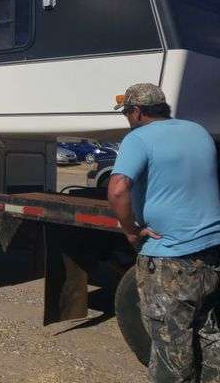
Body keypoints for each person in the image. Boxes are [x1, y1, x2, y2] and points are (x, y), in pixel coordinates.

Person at [107, 83, 220, 383]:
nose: (127, 119)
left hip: (170, 258)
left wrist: (130, 231)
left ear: (137, 112)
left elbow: (117, 189)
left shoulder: (138, 137)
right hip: (211, 252)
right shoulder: (198, 131)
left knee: (172, 345)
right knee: (210, 333)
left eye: (127, 113)